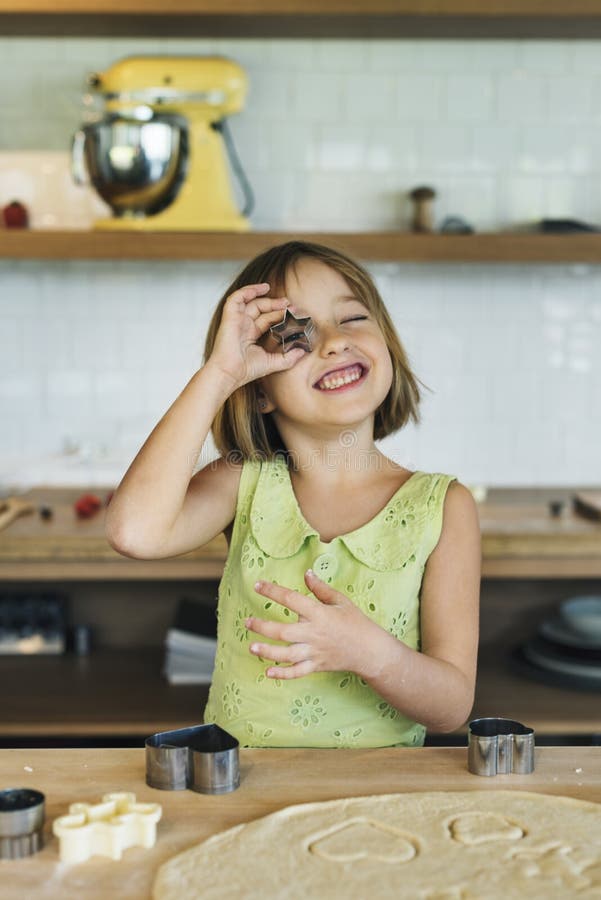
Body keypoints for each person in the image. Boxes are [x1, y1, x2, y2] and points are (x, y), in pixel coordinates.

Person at [106, 241, 481, 749]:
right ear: (259, 386)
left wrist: (371, 654)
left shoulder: (443, 508)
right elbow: (134, 532)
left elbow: (451, 708)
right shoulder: (243, 480)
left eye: (351, 318)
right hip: (240, 790)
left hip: (380, 799)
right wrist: (219, 376)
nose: (332, 342)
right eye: (296, 334)